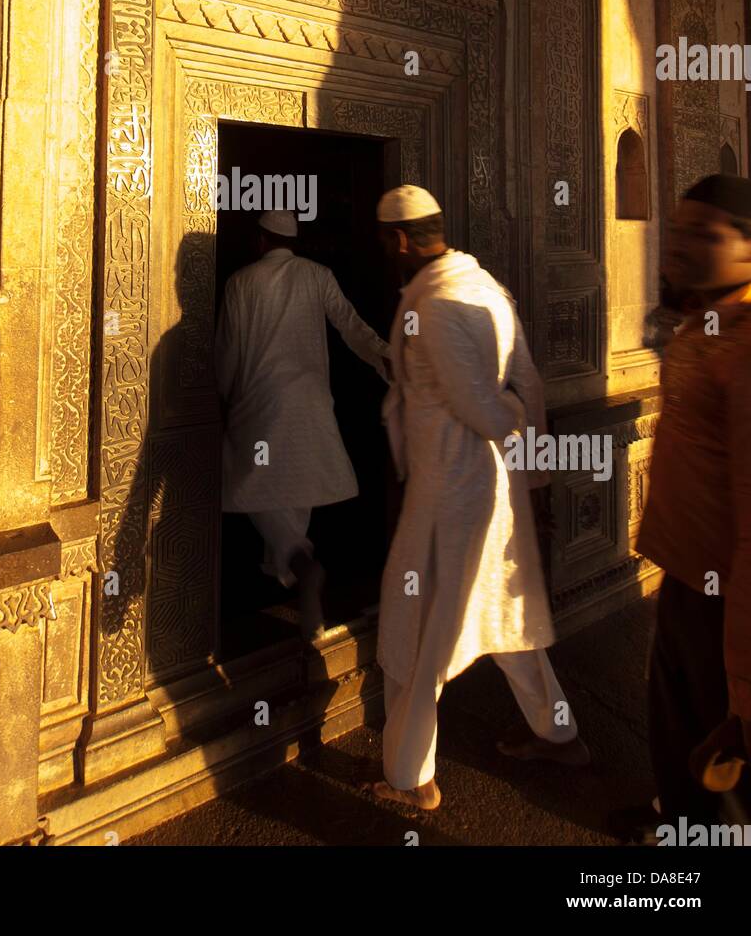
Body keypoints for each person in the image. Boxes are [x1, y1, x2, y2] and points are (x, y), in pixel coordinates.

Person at [369, 184, 588, 811]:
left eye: (387, 242)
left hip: (450, 499)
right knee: (508, 623)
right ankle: (560, 732)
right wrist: (536, 472)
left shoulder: (438, 306)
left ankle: (411, 777)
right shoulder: (485, 287)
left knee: (415, 636)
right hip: (492, 490)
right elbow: (528, 381)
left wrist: (509, 428)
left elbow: (484, 406)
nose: (386, 252)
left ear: (402, 240)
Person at [632, 173, 751, 835]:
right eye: (674, 230)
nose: (676, 245)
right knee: (677, 741)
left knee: (726, 767)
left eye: (703, 235)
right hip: (683, 579)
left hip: (726, 601)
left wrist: (743, 685)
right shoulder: (703, 321)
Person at [215, 209, 390, 639]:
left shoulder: (240, 283)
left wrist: (216, 398)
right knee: (294, 491)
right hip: (310, 408)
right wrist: (387, 356)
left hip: (261, 409)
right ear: (293, 241)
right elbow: (351, 326)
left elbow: (227, 358)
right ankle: (298, 570)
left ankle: (301, 566)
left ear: (261, 241)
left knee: (252, 488)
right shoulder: (318, 275)